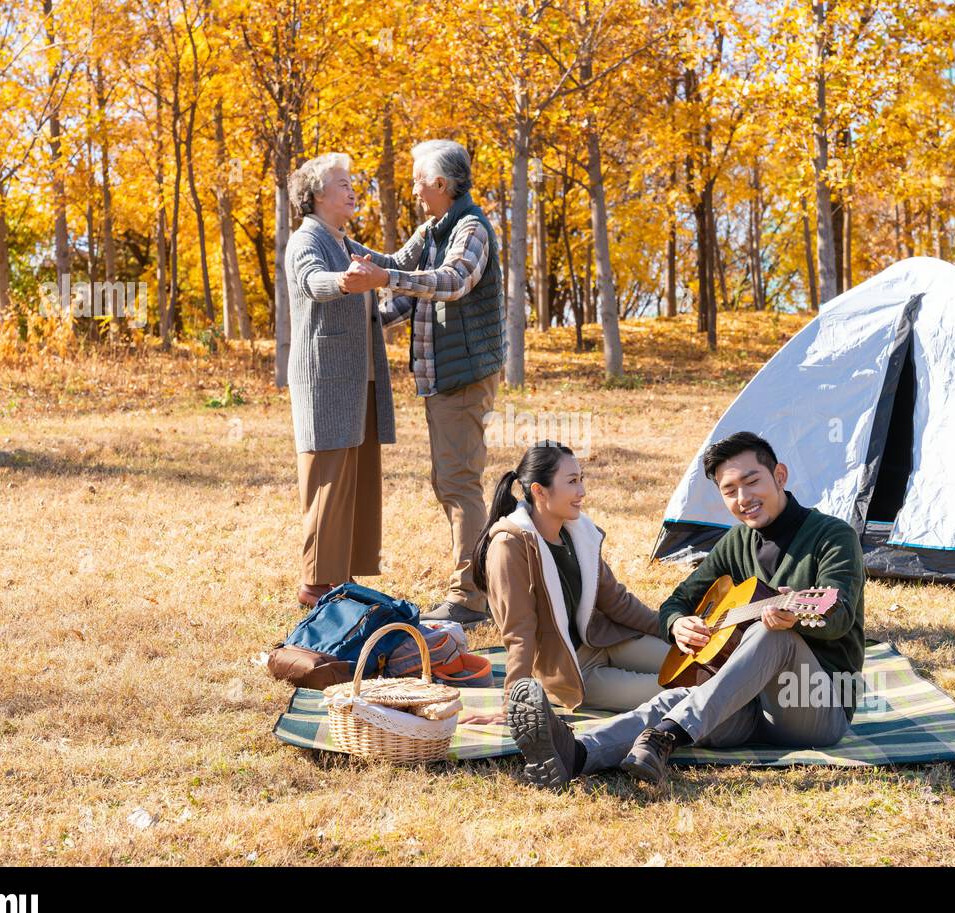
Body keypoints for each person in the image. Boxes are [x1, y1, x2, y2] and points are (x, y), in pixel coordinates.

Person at [504, 431, 866, 788]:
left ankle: (666, 736)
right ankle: (578, 754)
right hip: (747, 704)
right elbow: (676, 602)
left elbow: (840, 616)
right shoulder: (736, 542)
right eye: (729, 491)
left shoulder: (833, 536)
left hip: (812, 705)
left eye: (751, 482)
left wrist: (797, 617)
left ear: (780, 476)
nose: (743, 498)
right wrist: (678, 624)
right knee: (679, 697)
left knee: (773, 633)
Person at [339, 139, 504, 629]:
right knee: (449, 482)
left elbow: (451, 281)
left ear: (440, 184)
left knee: (459, 483)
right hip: (442, 377)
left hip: (465, 375)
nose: (413, 189)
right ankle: (474, 589)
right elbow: (400, 269)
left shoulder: (470, 229)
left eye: (417, 181)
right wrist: (341, 243)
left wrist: (382, 279)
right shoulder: (433, 228)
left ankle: (471, 598)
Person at [474, 443, 674, 713]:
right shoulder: (509, 547)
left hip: (606, 640)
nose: (582, 491)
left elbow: (616, 602)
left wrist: (671, 628)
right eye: (572, 482)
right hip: (573, 671)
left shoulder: (577, 533)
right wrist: (515, 702)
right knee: (681, 691)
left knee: (700, 664)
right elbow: (519, 632)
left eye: (581, 479)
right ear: (539, 490)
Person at [283, 153, 398, 609]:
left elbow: (373, 302)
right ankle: (316, 586)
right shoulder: (305, 240)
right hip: (326, 383)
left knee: (357, 482)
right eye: (342, 183)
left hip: (359, 382)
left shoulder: (346, 241)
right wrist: (348, 280)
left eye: (352, 183)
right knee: (327, 484)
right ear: (315, 196)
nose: (352, 190)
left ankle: (343, 581)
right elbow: (314, 282)